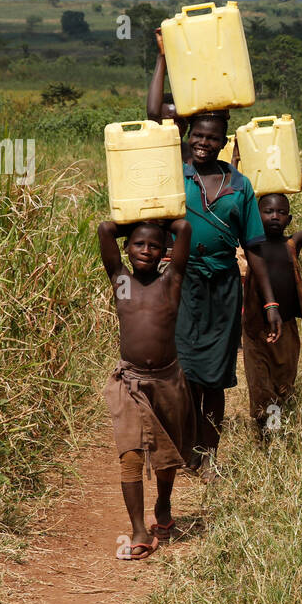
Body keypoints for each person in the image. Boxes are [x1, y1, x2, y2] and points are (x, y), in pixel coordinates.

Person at [176, 112, 281, 477]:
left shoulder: (240, 186)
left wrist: (269, 303)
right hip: (183, 284)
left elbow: (254, 249)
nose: (203, 143)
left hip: (224, 288)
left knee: (215, 377)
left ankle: (209, 454)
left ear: (225, 143)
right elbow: (155, 113)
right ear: (188, 137)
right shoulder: (177, 176)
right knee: (187, 373)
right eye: (198, 136)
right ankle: (189, 447)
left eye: (212, 137)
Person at [97, 218, 193, 560]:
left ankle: (164, 503)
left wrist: (160, 220)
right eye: (138, 244)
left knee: (167, 457)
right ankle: (139, 530)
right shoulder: (121, 281)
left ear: (164, 253)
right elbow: (105, 229)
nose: (146, 251)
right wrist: (138, 220)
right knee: (131, 456)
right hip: (131, 382)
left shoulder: (171, 281)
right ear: (126, 249)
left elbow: (184, 229)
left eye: (154, 246)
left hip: (167, 381)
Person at [242, 169, 302, 435]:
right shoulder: (250, 244)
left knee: (283, 380)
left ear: (289, 218)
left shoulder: (292, 243)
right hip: (255, 328)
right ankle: (264, 434)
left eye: (281, 212)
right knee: (260, 382)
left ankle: (276, 426)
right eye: (268, 211)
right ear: (256, 215)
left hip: (286, 325)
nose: (274, 216)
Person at [148, 27, 238, 166]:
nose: (174, 127)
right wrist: (162, 57)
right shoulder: (152, 148)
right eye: (167, 121)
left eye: (180, 121)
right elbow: (154, 113)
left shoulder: (194, 152)